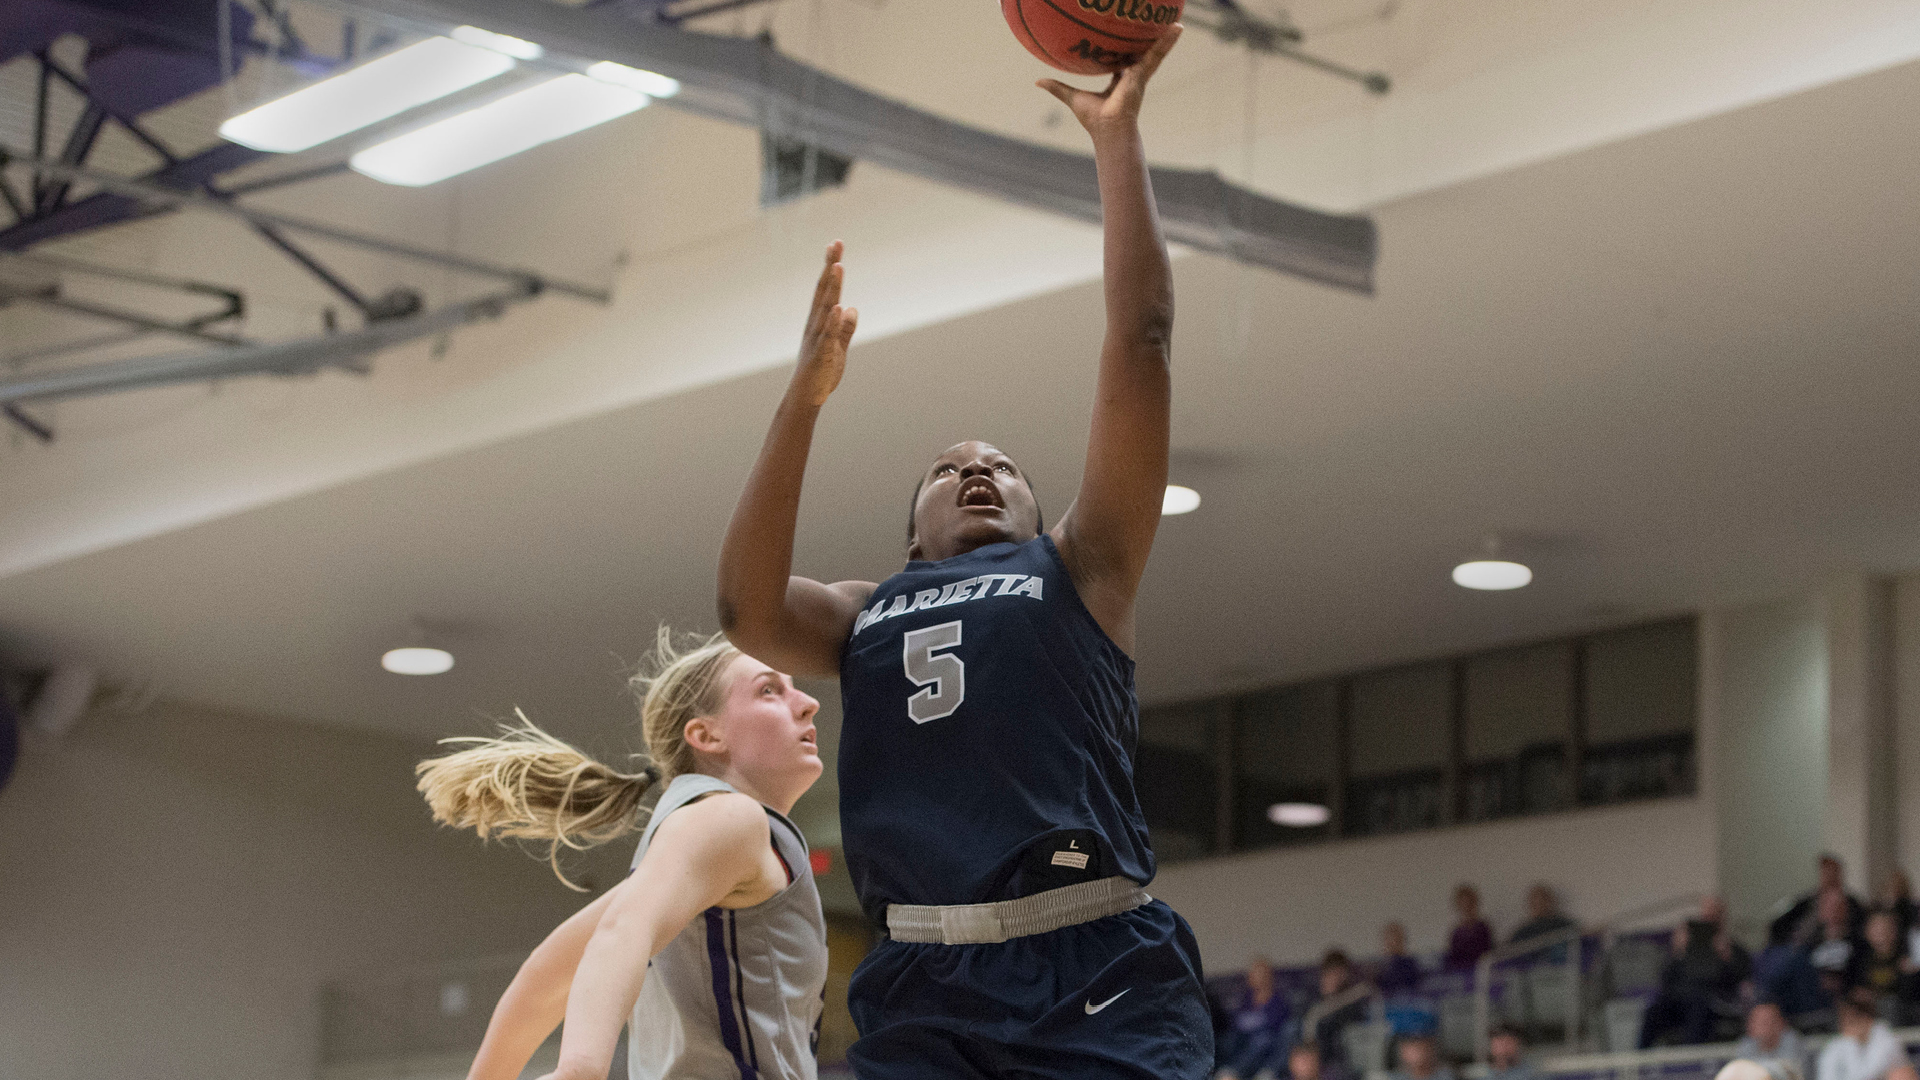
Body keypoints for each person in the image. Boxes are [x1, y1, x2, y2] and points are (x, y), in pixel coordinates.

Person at [715, 26, 1212, 1080]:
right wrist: (801, 401)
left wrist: (1117, 142)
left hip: (1094, 966)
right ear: (912, 533)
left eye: (1003, 468)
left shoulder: (1084, 565)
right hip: (923, 982)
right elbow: (744, 608)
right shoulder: (864, 611)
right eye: (949, 471)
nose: (979, 472)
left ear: (1041, 512)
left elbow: (1144, 338)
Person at [413, 632, 828, 1080]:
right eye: (770, 689)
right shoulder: (728, 816)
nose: (807, 702)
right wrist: (580, 1070)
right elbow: (620, 932)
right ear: (706, 734)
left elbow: (545, 982)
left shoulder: (700, 850)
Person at [1641, 894, 1753, 1046]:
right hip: (1679, 1001)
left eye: (1714, 914)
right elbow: (1665, 981)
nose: (1709, 918)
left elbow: (1741, 979)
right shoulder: (1686, 951)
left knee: (1698, 1006)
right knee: (1653, 1010)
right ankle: (1638, 1062)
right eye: (1705, 914)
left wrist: (1726, 956)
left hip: (1713, 1003)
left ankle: (1690, 1061)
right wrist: (1678, 952)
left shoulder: (1733, 949)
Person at [1815, 988, 1920, 1080]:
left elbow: (1867, 1075)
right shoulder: (1835, 1045)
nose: (1847, 1026)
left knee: (1902, 1074)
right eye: (1844, 1020)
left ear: (1867, 1018)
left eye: (1853, 1020)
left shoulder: (1886, 1039)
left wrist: (1851, 1043)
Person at [1216, 957, 1290, 1080]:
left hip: (1267, 1050)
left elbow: (1273, 1030)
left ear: (1270, 976)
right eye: (1254, 973)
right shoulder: (1246, 1000)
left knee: (1261, 1040)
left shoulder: (1278, 1002)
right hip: (1244, 1045)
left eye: (1261, 973)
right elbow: (1237, 1026)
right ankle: (1227, 1070)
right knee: (1227, 1040)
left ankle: (1236, 1072)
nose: (1257, 977)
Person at [1303, 950, 1374, 1074]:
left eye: (1338, 972)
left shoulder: (1355, 997)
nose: (1335, 977)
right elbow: (1306, 1023)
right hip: (1315, 1050)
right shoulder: (1312, 999)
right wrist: (1327, 996)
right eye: (1330, 973)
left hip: (1341, 1053)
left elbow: (1352, 1020)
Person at [1773, 855, 1867, 947]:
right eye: (1825, 872)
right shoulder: (1804, 902)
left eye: (1833, 872)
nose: (1829, 876)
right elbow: (1779, 925)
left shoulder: (1853, 904)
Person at [1847, 909, 1913, 1022]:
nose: (1881, 933)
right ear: (1867, 932)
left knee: (1891, 1005)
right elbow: (1855, 987)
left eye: (1886, 928)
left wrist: (1909, 974)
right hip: (1868, 1009)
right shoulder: (1861, 960)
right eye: (1876, 928)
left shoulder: (1905, 956)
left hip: (1897, 1011)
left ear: (1895, 931)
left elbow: (1907, 995)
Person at [1735, 1002, 1808, 1079]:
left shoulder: (1792, 1040)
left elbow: (1789, 1073)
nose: (1761, 1027)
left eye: (1765, 1022)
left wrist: (1757, 1070)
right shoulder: (1746, 1045)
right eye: (1756, 1022)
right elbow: (1741, 1072)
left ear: (1780, 1023)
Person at [1510, 884, 1577, 963]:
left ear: (1551, 902)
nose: (1540, 905)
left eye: (1543, 901)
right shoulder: (1523, 931)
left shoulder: (1564, 925)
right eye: (1535, 903)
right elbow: (1508, 952)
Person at [1445, 885, 1495, 971]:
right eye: (1463, 905)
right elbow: (1453, 957)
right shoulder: (1456, 933)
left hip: (1481, 972)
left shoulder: (1483, 928)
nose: (1466, 908)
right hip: (1461, 973)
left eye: (1469, 904)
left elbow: (1487, 953)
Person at [1377, 922, 1424, 998]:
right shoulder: (1380, 965)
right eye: (1386, 939)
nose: (1388, 944)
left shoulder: (1408, 964)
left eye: (1395, 940)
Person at [1390, 1031, 1457, 1080]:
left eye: (1419, 1047)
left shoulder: (1445, 1075)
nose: (1416, 1054)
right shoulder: (1397, 1076)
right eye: (1410, 1048)